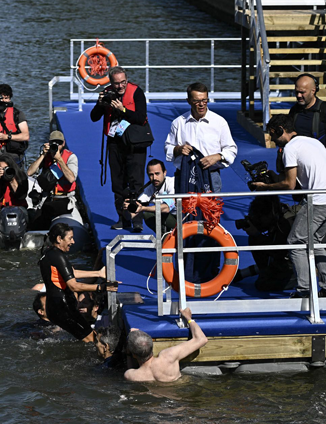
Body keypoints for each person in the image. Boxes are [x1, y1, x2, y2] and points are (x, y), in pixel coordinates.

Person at [250, 114, 326, 298]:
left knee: (295, 242)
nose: (273, 141)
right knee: (314, 242)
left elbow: (289, 184)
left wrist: (266, 186)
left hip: (319, 201)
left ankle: (304, 291)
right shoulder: (313, 142)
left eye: (273, 135)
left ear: (280, 130)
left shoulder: (290, 148)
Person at [288, 73, 326, 264]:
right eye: (296, 92)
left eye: (303, 92)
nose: (299, 96)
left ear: (314, 91)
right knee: (311, 206)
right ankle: (315, 245)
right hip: (302, 168)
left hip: (322, 167)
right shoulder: (294, 111)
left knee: (324, 203)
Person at [37, 222, 119, 359]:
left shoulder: (50, 253)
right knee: (93, 340)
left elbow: (71, 273)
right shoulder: (58, 256)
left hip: (57, 306)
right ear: (59, 239)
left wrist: (98, 273)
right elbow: (74, 286)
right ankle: (103, 365)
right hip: (62, 307)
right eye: (70, 238)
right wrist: (101, 287)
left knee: (90, 337)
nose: (73, 242)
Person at [90, 67, 151, 230]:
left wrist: (122, 110)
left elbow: (141, 118)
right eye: (116, 83)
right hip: (115, 143)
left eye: (123, 82)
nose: (120, 86)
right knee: (118, 183)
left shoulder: (136, 92)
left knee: (136, 182)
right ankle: (123, 218)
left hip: (135, 143)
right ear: (111, 82)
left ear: (127, 80)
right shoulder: (107, 93)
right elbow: (94, 117)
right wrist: (100, 104)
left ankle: (137, 219)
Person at [164, 83, 237, 192]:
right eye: (197, 101)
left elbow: (231, 149)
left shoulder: (219, 122)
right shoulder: (178, 122)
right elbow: (168, 147)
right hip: (184, 176)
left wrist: (218, 156)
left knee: (211, 204)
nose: (202, 104)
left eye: (204, 100)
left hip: (211, 176)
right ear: (188, 101)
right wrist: (178, 149)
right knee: (183, 204)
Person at [122, 307, 208, 382]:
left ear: (133, 354)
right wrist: (189, 318)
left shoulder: (131, 375)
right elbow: (201, 339)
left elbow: (131, 368)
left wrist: (129, 348)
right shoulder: (168, 357)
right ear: (152, 344)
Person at [25, 130, 78, 229]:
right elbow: (29, 172)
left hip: (64, 197)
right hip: (48, 196)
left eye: (59, 143)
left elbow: (71, 179)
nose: (56, 145)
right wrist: (43, 155)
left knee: (48, 209)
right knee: (36, 221)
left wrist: (60, 160)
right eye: (53, 143)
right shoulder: (46, 156)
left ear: (63, 143)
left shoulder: (71, 157)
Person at [125, 159, 176, 233]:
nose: (154, 178)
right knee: (148, 215)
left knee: (149, 214)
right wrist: (128, 207)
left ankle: (170, 236)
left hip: (183, 219)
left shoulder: (172, 183)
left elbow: (166, 208)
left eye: (157, 174)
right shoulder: (150, 188)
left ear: (165, 172)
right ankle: (164, 237)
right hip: (170, 217)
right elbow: (136, 208)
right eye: (151, 175)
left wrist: (143, 208)